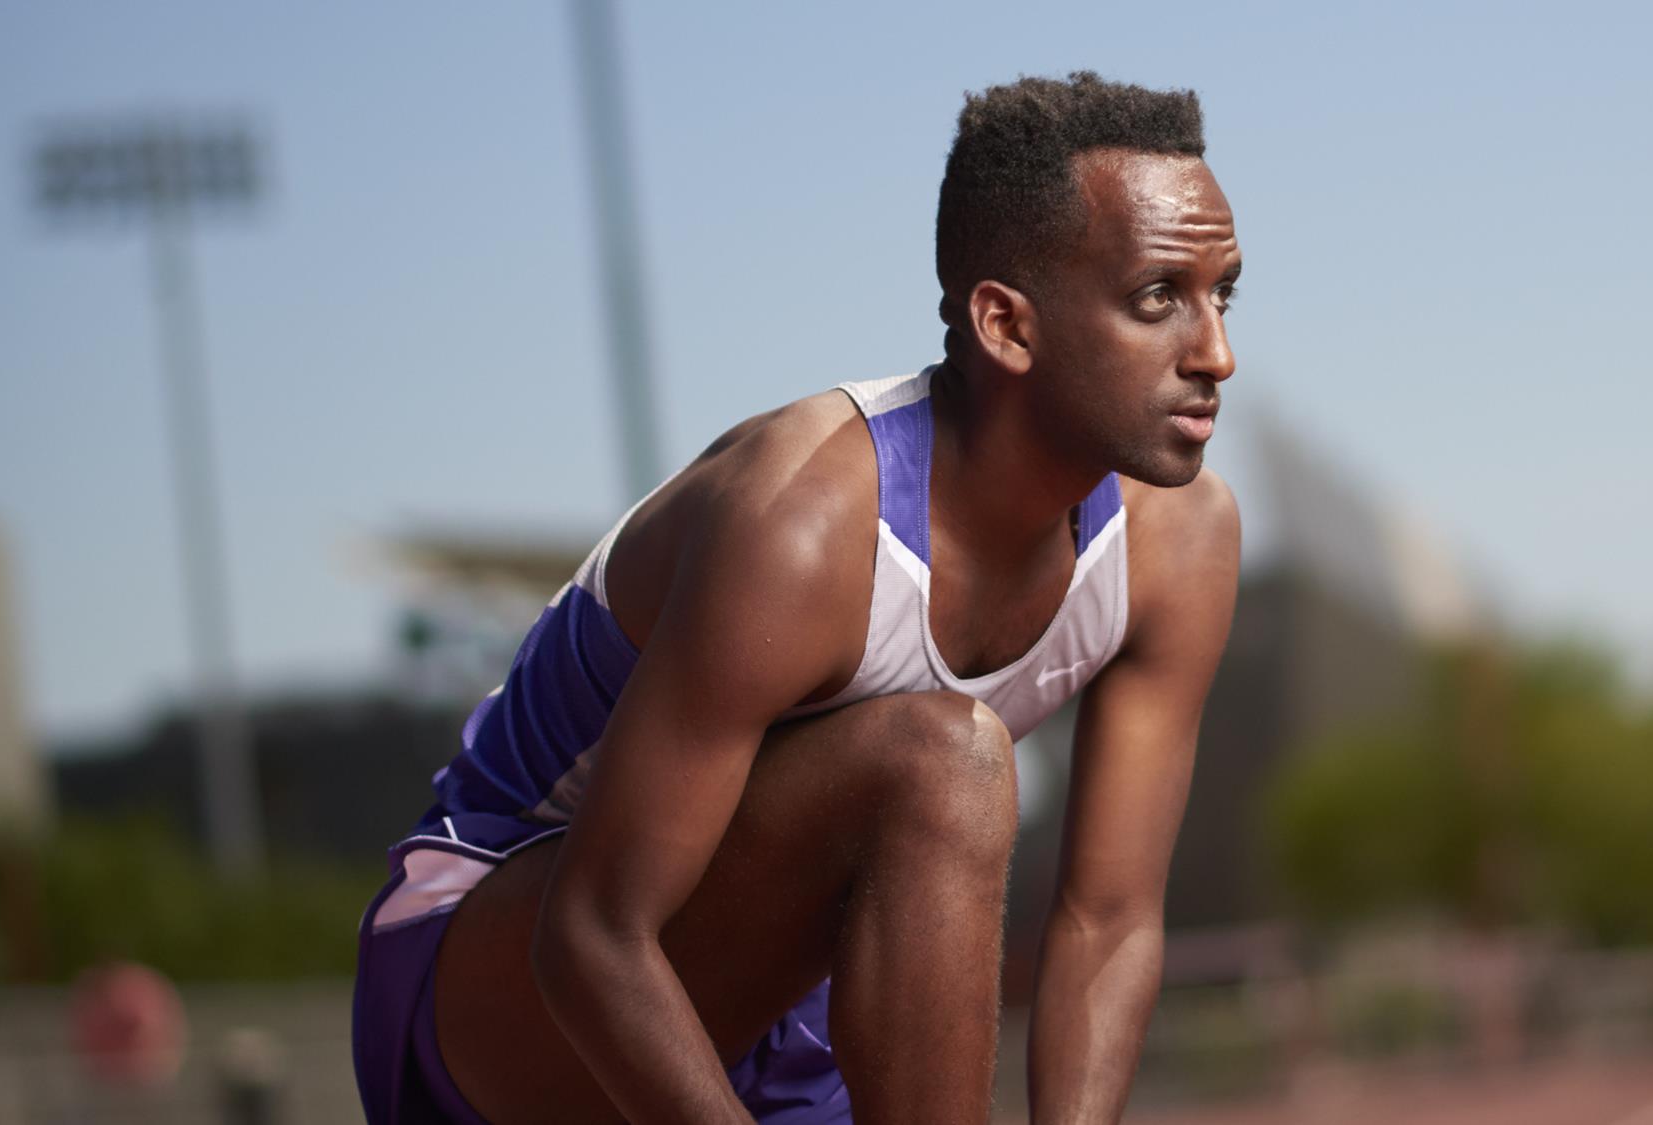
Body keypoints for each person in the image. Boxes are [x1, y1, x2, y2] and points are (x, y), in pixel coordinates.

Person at [352, 70, 1242, 1124]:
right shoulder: (804, 519)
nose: (1215, 354)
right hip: (505, 972)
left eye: (1221, 295)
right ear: (1005, 324)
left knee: (939, 771)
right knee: (943, 761)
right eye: (1157, 299)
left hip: (782, 994)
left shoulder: (1181, 541)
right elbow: (593, 932)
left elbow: (1107, 919)